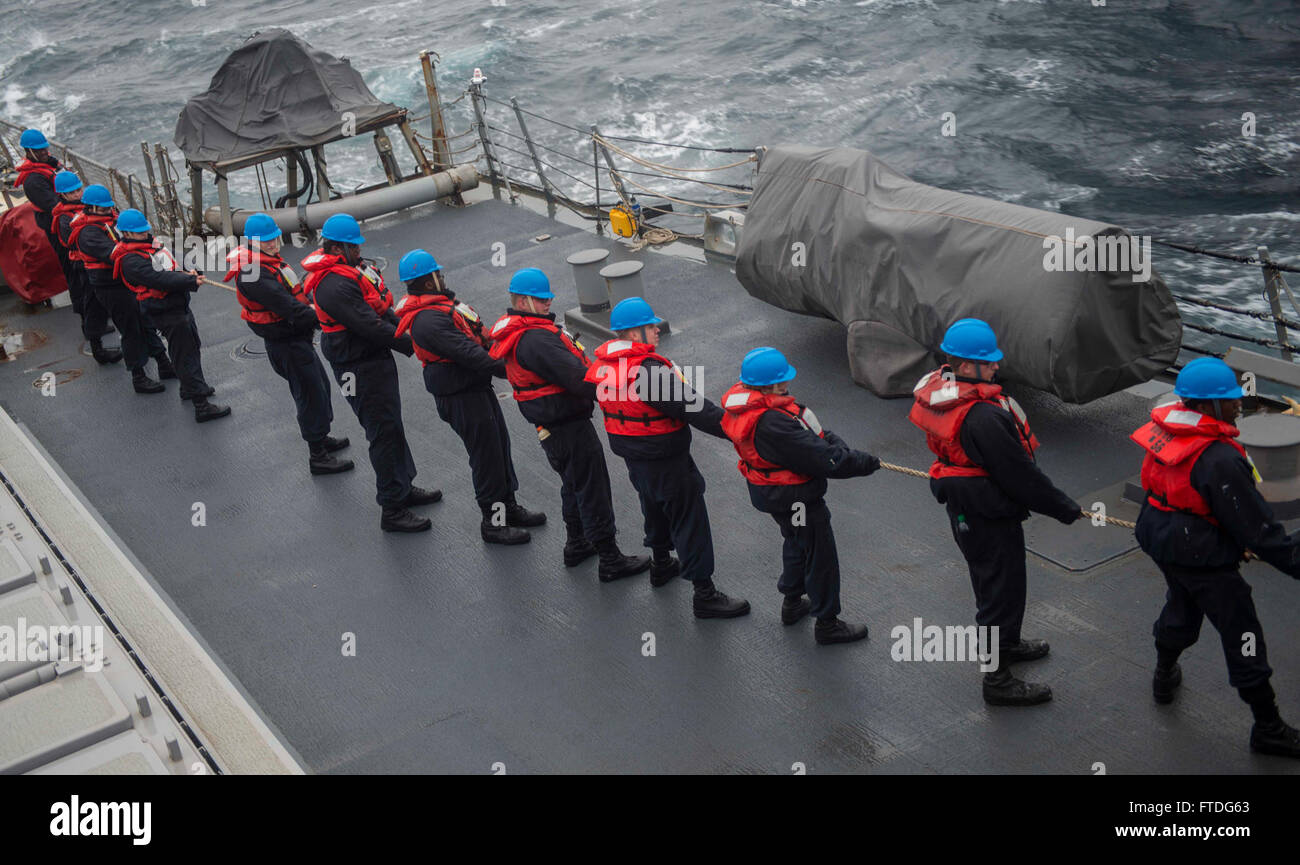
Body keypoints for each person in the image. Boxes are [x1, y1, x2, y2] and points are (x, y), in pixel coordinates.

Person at [1132, 357, 1300, 758]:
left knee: (1182, 605)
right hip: (1200, 554)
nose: (1239, 404)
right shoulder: (1220, 458)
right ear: (1206, 407)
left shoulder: (1169, 432)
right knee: (1242, 635)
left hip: (1161, 536)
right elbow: (1261, 533)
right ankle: (1268, 727)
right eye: (1230, 400)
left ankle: (1163, 674)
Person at [909, 318, 1081, 706]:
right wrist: (1065, 508)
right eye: (989, 363)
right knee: (997, 594)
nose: (996, 367)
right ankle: (998, 681)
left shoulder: (949, 392)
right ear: (966, 367)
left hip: (967, 506)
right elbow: (1020, 476)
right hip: (987, 511)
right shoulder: (983, 417)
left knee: (1002, 584)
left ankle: (1010, 643)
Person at [585, 297, 749, 618]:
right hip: (666, 458)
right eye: (650, 326)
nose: (657, 330)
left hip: (636, 458)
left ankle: (661, 563)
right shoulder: (648, 373)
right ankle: (705, 594)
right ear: (633, 335)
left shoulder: (607, 367)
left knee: (654, 505)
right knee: (689, 517)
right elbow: (697, 410)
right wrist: (741, 431)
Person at [487, 268, 648, 580]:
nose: (548, 303)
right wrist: (625, 394)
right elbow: (579, 379)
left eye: (547, 298)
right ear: (522, 301)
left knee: (573, 485)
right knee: (592, 488)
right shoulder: (537, 340)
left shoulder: (524, 335)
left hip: (551, 427)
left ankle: (577, 544)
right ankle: (610, 558)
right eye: (540, 299)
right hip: (568, 427)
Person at [720, 347, 877, 643]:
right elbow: (825, 459)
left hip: (774, 495)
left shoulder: (755, 413)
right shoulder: (775, 423)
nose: (786, 385)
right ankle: (827, 623)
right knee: (819, 552)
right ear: (771, 385)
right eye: (782, 382)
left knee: (796, 541)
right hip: (796, 498)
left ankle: (792, 603)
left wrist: (837, 448)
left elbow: (816, 441)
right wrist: (864, 462)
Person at [393, 249, 545, 545]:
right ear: (426, 283)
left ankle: (508, 507)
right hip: (461, 396)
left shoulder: (442, 308)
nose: (442, 278)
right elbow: (473, 355)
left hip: (474, 389)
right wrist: (520, 370)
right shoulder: (429, 322)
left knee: (499, 447)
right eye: (437, 275)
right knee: (486, 457)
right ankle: (494, 523)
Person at [302, 214, 439, 532]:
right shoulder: (334, 286)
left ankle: (403, 484)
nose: (359, 252)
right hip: (358, 367)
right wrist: (414, 347)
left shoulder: (349, 274)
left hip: (370, 360)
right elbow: (370, 325)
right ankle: (392, 507)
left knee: (392, 425)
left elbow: (380, 311)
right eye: (353, 247)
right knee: (382, 432)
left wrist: (406, 331)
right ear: (337, 248)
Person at [227, 213, 352, 474]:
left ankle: (321, 437)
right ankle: (317, 455)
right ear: (251, 242)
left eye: (274, 238)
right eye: (266, 241)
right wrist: (328, 317)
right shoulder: (254, 274)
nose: (273, 244)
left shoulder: (265, 263)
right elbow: (289, 308)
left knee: (319, 387)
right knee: (309, 395)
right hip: (286, 343)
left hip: (295, 340)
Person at [111, 209, 229, 422]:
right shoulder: (130, 261)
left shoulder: (148, 245)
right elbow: (158, 279)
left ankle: (188, 387)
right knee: (185, 355)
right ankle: (201, 405)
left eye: (145, 230)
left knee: (191, 345)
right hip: (165, 310)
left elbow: (171, 259)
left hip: (176, 306)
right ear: (126, 233)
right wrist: (190, 282)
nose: (144, 235)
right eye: (138, 233)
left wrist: (191, 269)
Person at [70, 185, 173, 394]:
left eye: (109, 207)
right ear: (91, 208)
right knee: (130, 329)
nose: (108, 211)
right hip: (110, 287)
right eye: (103, 208)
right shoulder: (88, 234)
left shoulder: (111, 222)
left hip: (128, 281)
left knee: (146, 322)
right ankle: (138, 376)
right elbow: (114, 254)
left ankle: (163, 362)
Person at [50, 170, 120, 364]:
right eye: (71, 192)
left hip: (103, 262)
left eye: (78, 190)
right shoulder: (65, 218)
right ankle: (98, 349)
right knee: (92, 305)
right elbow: (70, 242)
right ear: (62, 195)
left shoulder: (89, 208)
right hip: (84, 265)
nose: (77, 194)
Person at [14, 128, 61, 252]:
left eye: (45, 148)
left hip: (61, 219)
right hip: (55, 224)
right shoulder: (33, 181)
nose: (45, 152)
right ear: (28, 151)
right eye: (39, 150)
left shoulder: (48, 164)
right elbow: (54, 205)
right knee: (69, 262)